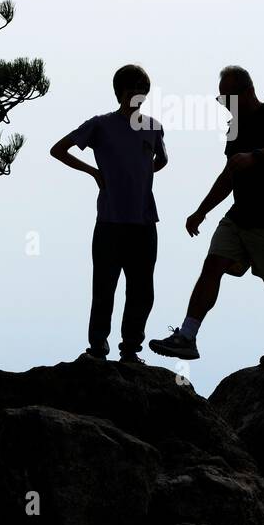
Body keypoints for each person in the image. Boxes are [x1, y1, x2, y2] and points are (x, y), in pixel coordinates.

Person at [149, 65, 264, 371]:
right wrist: (202, 210)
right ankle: (187, 336)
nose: (225, 104)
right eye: (222, 99)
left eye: (229, 97)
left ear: (247, 92)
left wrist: (255, 157)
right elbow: (229, 174)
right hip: (239, 215)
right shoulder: (235, 127)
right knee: (212, 265)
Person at [51, 64, 167, 363]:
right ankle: (98, 347)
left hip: (144, 220)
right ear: (120, 92)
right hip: (110, 221)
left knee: (142, 291)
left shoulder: (153, 127)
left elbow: (162, 159)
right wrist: (93, 171)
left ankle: (130, 349)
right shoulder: (100, 125)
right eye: (133, 89)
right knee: (104, 287)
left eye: (143, 89)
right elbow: (59, 149)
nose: (138, 95)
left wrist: (140, 175)